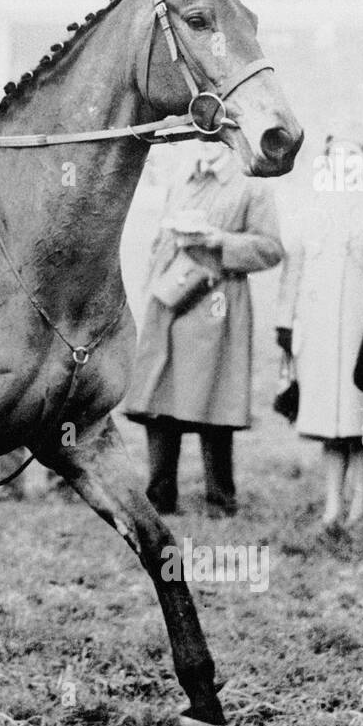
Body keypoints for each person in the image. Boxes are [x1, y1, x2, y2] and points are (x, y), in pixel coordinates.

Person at [124, 139, 284, 517]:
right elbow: (160, 240)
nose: (208, 145)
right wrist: (153, 285)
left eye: (218, 137)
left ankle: (220, 500)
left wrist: (219, 240)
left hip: (218, 302)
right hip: (170, 298)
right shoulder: (183, 178)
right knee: (159, 400)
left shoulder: (252, 185)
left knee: (216, 402)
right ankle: (160, 497)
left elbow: (271, 249)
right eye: (202, 137)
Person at [277, 125, 363, 526]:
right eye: (336, 157)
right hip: (319, 328)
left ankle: (360, 507)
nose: (344, 164)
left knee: (360, 420)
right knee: (328, 423)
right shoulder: (311, 208)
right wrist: (285, 323)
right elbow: (293, 269)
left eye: (352, 156)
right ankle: (332, 505)